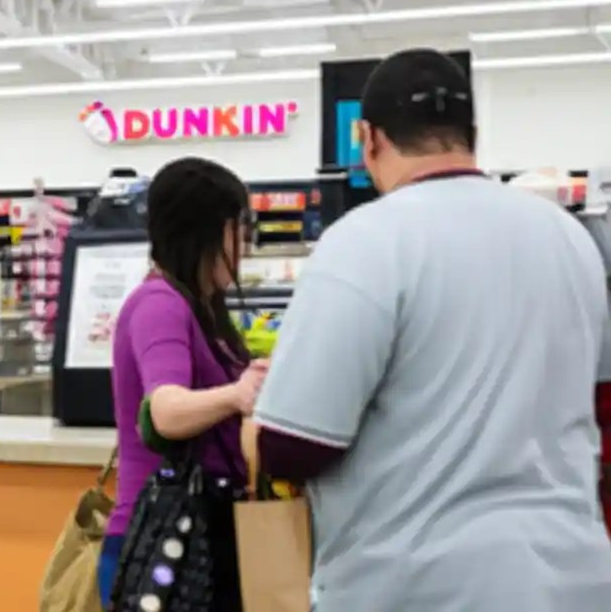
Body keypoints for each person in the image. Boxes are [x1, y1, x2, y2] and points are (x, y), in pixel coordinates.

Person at [253, 49, 611, 611]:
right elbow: (597, 402)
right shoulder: (572, 240)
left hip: (413, 587)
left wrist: (257, 413)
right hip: (572, 580)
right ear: (472, 133)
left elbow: (294, 446)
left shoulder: (364, 242)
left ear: (366, 138)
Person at [98, 157, 268, 610]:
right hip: (164, 549)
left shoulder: (202, 308)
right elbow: (164, 411)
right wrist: (236, 395)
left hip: (198, 542)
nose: (244, 245)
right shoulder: (160, 304)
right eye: (238, 230)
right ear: (208, 232)